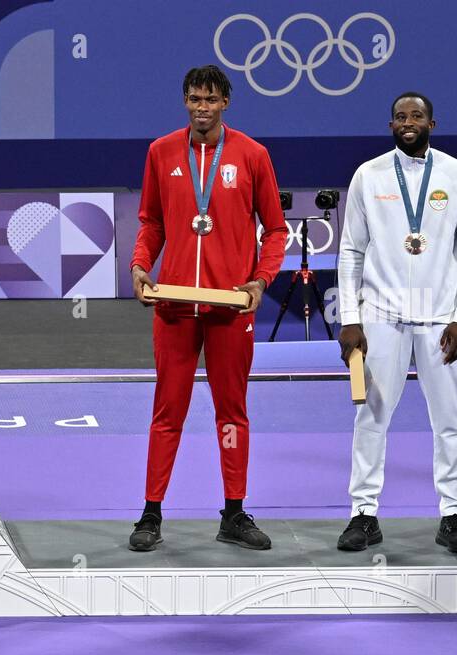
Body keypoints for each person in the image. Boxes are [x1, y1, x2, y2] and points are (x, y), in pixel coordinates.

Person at [128, 65, 288, 552]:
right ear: (185, 101)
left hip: (229, 310)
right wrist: (139, 265)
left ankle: (234, 513)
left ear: (226, 103)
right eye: (195, 98)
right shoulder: (160, 152)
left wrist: (261, 279)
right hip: (174, 308)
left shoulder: (252, 154)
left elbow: (276, 230)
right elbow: (151, 221)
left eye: (211, 99)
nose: (202, 107)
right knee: (167, 412)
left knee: (231, 413)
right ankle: (151, 513)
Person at [336, 92, 457, 554]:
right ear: (391, 124)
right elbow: (350, 251)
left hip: (441, 319)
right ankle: (364, 514)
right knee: (372, 416)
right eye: (400, 116)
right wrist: (349, 317)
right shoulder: (369, 174)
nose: (408, 122)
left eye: (416, 115)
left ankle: (454, 513)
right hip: (381, 316)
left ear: (432, 123)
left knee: (449, 420)